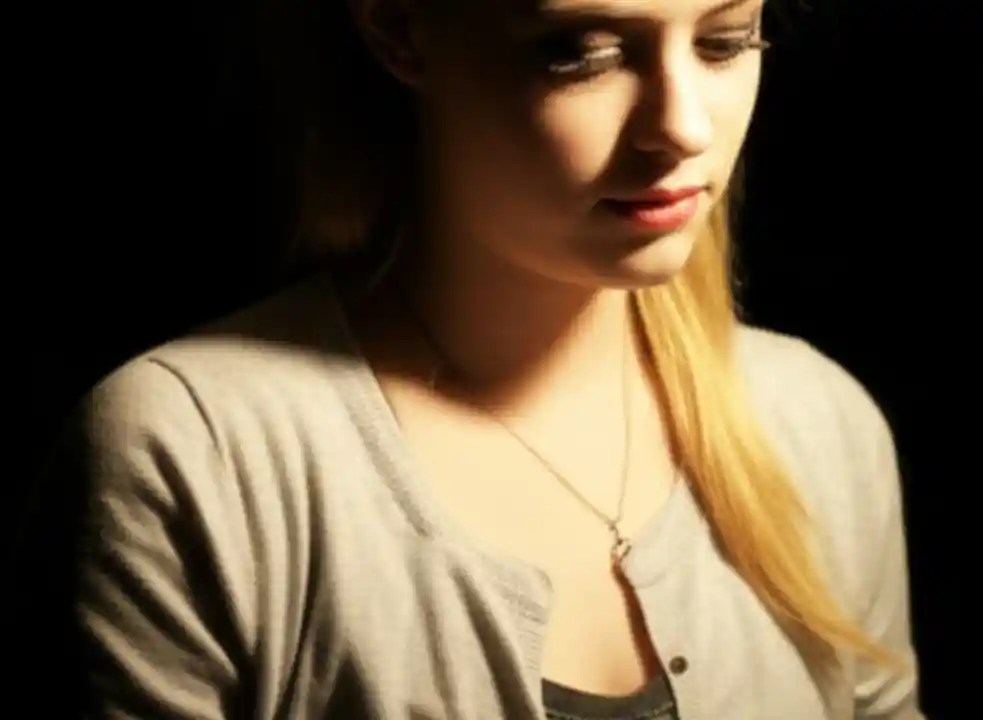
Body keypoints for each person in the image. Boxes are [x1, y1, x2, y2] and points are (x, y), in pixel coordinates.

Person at [23, 0, 926, 717]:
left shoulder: (816, 425)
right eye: (583, 48)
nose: (680, 126)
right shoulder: (193, 457)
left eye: (726, 40)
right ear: (398, 27)